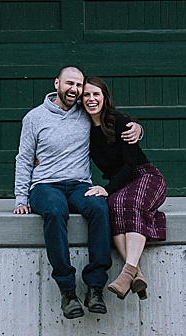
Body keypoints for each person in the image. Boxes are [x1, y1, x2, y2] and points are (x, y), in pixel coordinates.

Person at [12, 66, 142, 320]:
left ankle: (95, 287)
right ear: (57, 84)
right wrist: (20, 198)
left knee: (98, 208)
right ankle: (67, 291)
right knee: (55, 211)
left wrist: (137, 127)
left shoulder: (86, 113)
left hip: (79, 184)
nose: (75, 89)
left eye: (79, 85)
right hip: (45, 186)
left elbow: (115, 121)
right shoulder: (35, 118)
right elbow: (24, 158)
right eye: (69, 84)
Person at [80, 76, 166, 301]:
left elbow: (130, 166)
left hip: (144, 176)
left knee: (129, 203)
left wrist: (107, 188)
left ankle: (127, 272)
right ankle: (136, 275)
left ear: (104, 97)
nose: (91, 99)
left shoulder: (119, 122)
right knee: (112, 206)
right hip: (121, 185)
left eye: (96, 94)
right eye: (86, 95)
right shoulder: (83, 129)